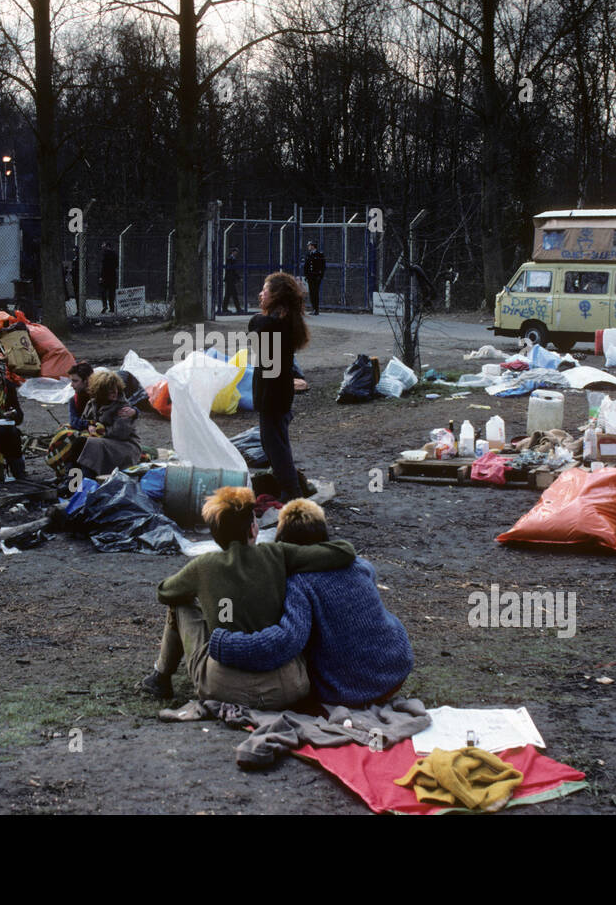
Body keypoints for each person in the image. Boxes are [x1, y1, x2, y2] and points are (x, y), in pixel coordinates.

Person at [141, 486, 356, 707]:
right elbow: (344, 551)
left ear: (215, 536)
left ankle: (160, 677)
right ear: (253, 529)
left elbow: (164, 592)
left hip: (222, 688)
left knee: (180, 605)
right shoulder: (278, 554)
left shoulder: (203, 566)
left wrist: (210, 594)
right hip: (287, 687)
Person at [209, 499, 413, 708]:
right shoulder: (361, 565)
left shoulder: (300, 583)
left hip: (351, 689)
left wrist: (226, 645)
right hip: (396, 670)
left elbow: (285, 642)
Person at [248, 272, 308, 501]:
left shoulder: (275, 323)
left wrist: (256, 319)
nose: (260, 294)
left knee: (275, 446)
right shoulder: (282, 320)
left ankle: (291, 493)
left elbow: (256, 326)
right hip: (276, 392)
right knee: (274, 443)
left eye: (265, 290)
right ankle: (288, 488)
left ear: (276, 295)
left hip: (274, 394)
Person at [74, 369, 142, 478]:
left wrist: (100, 431)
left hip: (124, 446)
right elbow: (84, 420)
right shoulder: (93, 404)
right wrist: (89, 426)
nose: (114, 392)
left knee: (90, 444)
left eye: (115, 388)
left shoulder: (122, 407)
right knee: (73, 440)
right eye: (109, 389)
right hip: (103, 441)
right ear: (100, 391)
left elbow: (120, 433)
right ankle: (71, 477)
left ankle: (85, 479)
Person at [66, 361, 94, 431]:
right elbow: (73, 422)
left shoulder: (101, 395)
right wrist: (89, 424)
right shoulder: (73, 400)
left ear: (86, 380)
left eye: (75, 381)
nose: (71, 385)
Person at [302, 240, 326, 315]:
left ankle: (316, 309)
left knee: (315, 292)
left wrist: (320, 276)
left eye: (309, 245)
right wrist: (306, 275)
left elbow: (322, 266)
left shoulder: (319, 255)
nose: (308, 247)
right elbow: (306, 266)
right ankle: (314, 308)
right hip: (310, 276)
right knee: (312, 293)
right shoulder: (308, 254)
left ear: (313, 246)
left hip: (316, 276)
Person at [224, 247, 245, 314]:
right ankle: (237, 308)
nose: (236, 253)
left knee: (229, 294)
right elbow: (232, 270)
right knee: (233, 294)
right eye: (235, 252)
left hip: (230, 279)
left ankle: (225, 308)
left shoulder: (232, 259)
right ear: (232, 252)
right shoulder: (230, 259)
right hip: (230, 280)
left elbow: (233, 270)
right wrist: (238, 278)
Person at [100, 242, 119, 314]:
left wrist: (101, 276)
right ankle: (112, 308)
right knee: (111, 293)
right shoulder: (114, 254)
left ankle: (105, 305)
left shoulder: (105, 254)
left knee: (103, 291)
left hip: (105, 276)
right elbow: (116, 265)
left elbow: (103, 266)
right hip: (112, 276)